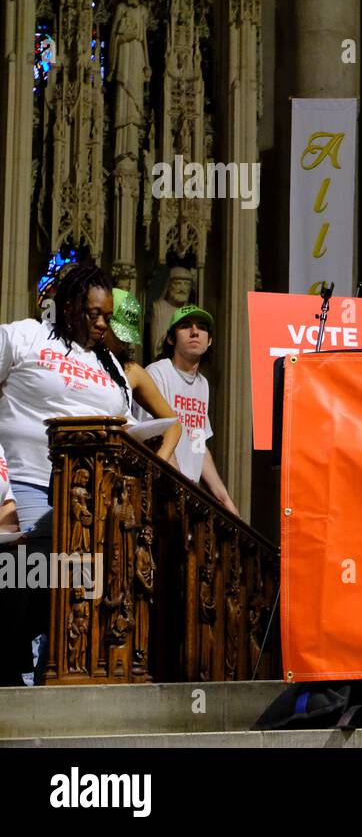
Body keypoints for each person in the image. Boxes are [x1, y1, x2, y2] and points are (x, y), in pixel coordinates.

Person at [0, 262, 133, 684]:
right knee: (28, 581)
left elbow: (124, 424)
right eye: (93, 313)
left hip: (94, 496)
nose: (100, 324)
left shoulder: (108, 364)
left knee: (79, 594)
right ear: (68, 304)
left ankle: (48, 684)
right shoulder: (26, 336)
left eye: (107, 316)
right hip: (26, 482)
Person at [146, 304, 239, 518]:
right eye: (186, 326)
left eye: (202, 328)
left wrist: (224, 499)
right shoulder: (158, 373)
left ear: (210, 341)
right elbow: (153, 438)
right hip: (160, 490)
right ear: (171, 339)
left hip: (186, 496)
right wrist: (182, 487)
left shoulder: (202, 385)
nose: (195, 331)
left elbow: (198, 443)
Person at [103, 288, 182, 464]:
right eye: (119, 335)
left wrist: (158, 463)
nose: (124, 343)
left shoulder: (131, 370)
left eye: (127, 337)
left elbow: (174, 424)